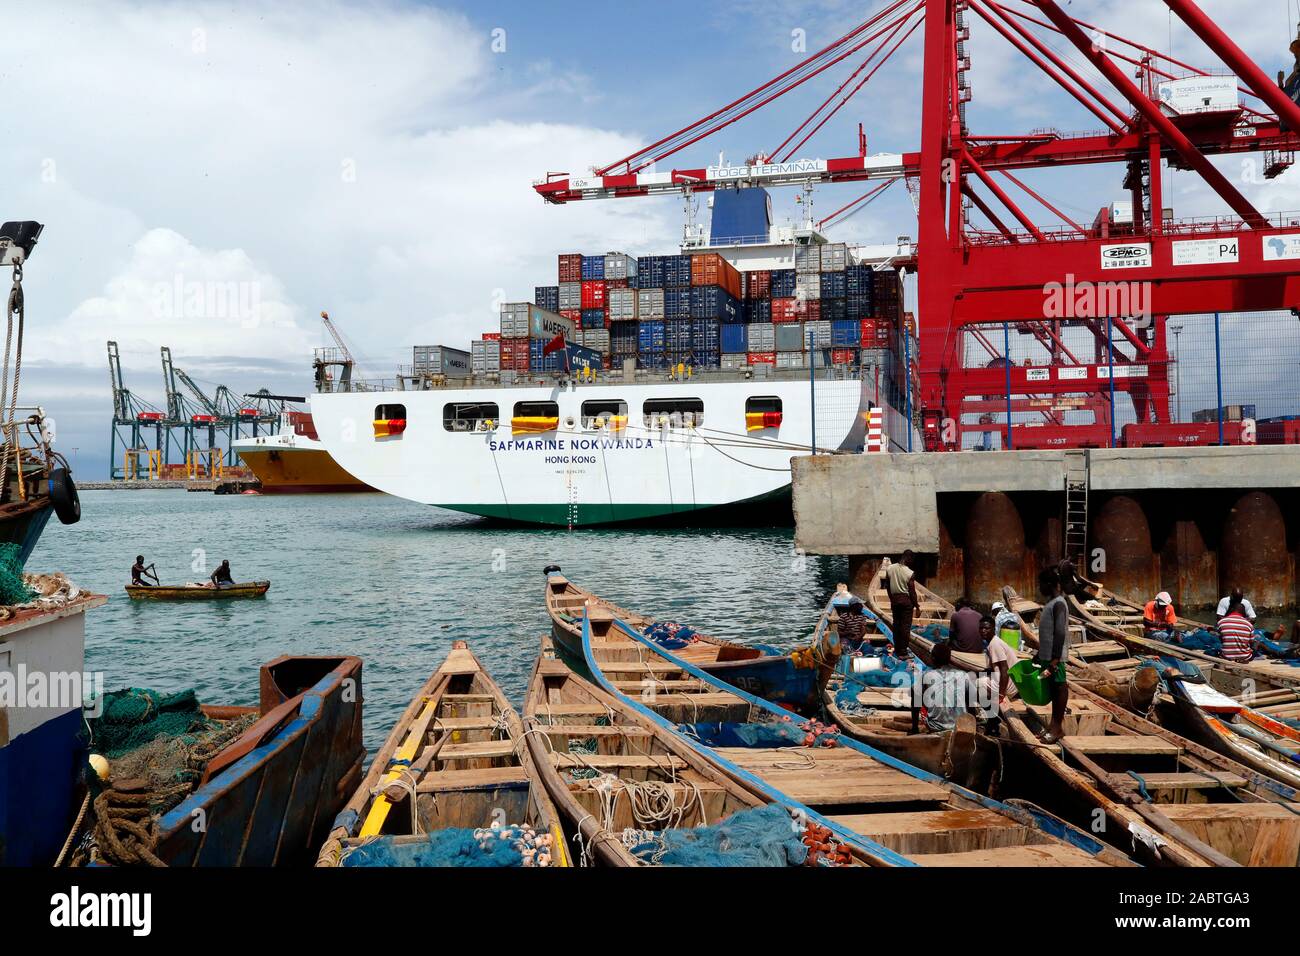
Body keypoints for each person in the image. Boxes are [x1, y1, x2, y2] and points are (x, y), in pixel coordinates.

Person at [1036, 566, 1070, 744]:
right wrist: (1039, 653)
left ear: (1050, 584)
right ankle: (1052, 725)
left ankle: (1057, 728)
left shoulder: (1059, 603)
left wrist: (1055, 659)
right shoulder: (1051, 602)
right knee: (1052, 689)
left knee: (1059, 688)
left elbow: (1060, 633)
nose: (1039, 588)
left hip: (1056, 657)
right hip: (1047, 655)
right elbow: (1047, 633)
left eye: (1040, 584)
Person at [921, 642, 975, 733]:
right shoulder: (963, 675)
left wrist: (915, 728)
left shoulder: (927, 675)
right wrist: (972, 725)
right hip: (960, 727)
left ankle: (915, 727)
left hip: (935, 727)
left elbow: (915, 697)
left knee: (917, 696)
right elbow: (972, 700)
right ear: (949, 659)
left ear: (933, 658)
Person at [978, 614, 1016, 732]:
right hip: (1007, 682)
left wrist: (1001, 695)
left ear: (993, 629)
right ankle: (992, 717)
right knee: (980, 677)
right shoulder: (993, 643)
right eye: (981, 628)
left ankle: (992, 717)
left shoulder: (995, 644)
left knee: (974, 685)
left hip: (1008, 685)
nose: (983, 631)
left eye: (987, 628)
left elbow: (1005, 670)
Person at [884, 551, 920, 660]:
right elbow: (912, 592)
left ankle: (898, 649)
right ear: (909, 559)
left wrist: (892, 599)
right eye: (911, 560)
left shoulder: (890, 568)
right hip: (906, 602)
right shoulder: (910, 573)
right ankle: (903, 652)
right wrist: (917, 606)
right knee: (905, 627)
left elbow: (888, 587)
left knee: (896, 625)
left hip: (895, 601)